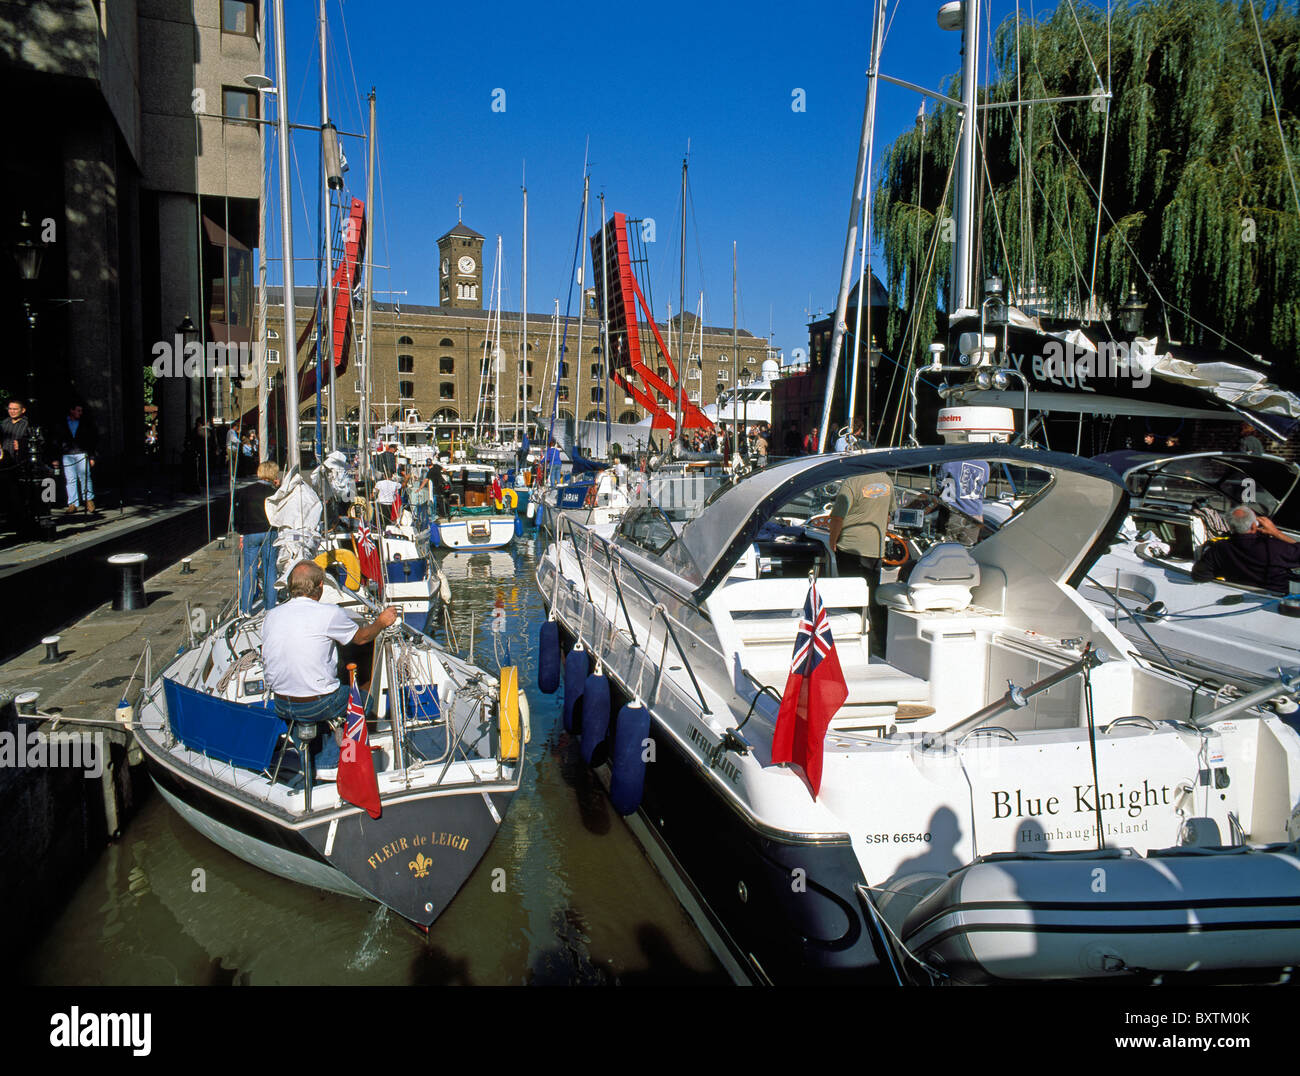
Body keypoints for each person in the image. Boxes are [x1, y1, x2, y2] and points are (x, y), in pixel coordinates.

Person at [261, 561, 398, 772]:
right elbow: (362, 639)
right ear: (320, 587)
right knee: (363, 701)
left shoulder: (271, 616)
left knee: (315, 699)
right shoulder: (329, 613)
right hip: (318, 704)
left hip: (281, 702)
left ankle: (307, 755)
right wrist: (382, 621)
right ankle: (328, 760)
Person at [828, 471, 895, 651]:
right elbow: (889, 514)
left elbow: (837, 517)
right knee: (872, 596)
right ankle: (881, 644)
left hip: (850, 547)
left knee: (853, 598)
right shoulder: (886, 480)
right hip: (876, 548)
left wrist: (832, 540)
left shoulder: (852, 481)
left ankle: (855, 644)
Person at [1192, 505, 1300, 593]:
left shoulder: (1219, 548)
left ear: (1231, 527)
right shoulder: (1275, 547)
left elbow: (1200, 575)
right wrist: (1276, 533)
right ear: (1254, 526)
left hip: (1237, 593)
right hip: (1275, 599)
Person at [235, 461, 281, 614]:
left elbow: (238, 516)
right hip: (269, 532)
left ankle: (246, 608)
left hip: (250, 533)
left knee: (250, 570)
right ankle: (270, 607)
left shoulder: (245, 492)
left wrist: (241, 533)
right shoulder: (275, 493)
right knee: (269, 569)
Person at [0, 398, 36, 539]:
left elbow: (37, 442)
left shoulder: (27, 424)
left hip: (21, 464)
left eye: (15, 409)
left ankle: (24, 526)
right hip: (5, 463)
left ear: (23, 410)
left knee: (21, 496)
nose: (12, 411)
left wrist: (22, 445)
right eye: (10, 409)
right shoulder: (4, 424)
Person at [54, 401, 97, 514]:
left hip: (81, 453)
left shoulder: (85, 423)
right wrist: (56, 457)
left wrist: (92, 456)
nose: (80, 413)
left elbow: (91, 441)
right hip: (67, 453)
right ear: (71, 411)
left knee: (85, 477)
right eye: (78, 410)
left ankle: (89, 499)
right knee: (70, 479)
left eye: (81, 411)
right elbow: (57, 441)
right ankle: (72, 503)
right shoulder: (62, 423)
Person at [938, 458, 990, 546]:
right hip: (976, 515)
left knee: (947, 549)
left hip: (955, 513)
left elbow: (941, 484)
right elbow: (983, 485)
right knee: (968, 550)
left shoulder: (950, 462)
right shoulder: (985, 464)